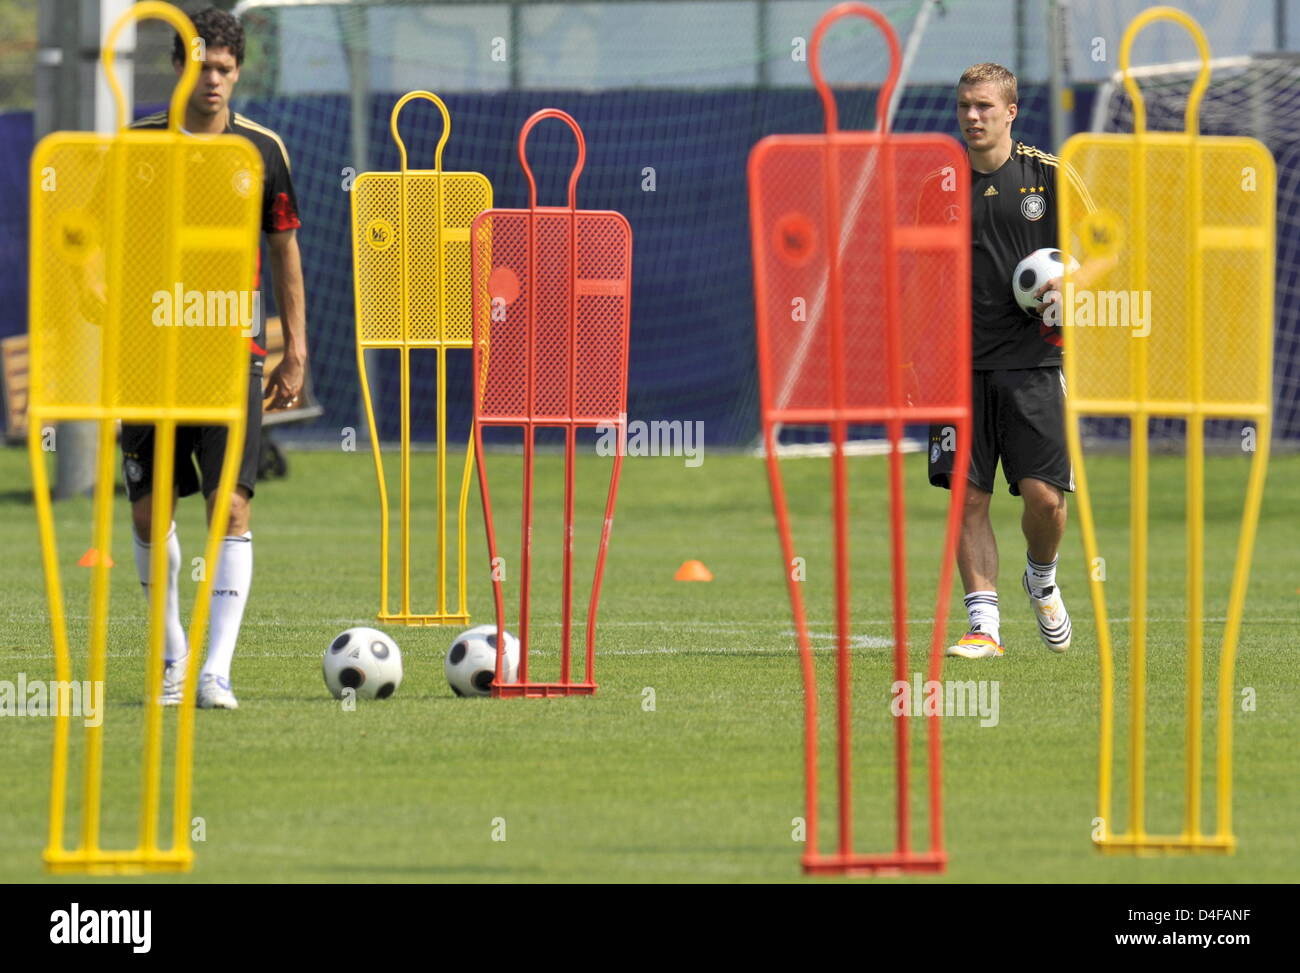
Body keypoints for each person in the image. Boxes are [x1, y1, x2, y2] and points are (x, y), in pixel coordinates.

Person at [120, 7, 307, 707]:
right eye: (202, 66)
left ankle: (215, 671)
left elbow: (284, 250)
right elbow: (96, 236)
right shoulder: (136, 146)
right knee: (149, 515)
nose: (214, 80)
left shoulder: (261, 151)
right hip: (150, 355)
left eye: (225, 69)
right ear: (178, 67)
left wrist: (295, 351)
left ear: (238, 72)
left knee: (229, 508)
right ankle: (173, 654)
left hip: (232, 355)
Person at [927, 63, 1091, 659]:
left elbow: (1108, 248)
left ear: (1011, 112)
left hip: (1035, 364)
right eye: (964, 105)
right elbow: (920, 274)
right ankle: (984, 626)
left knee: (1045, 499)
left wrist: (1075, 284)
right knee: (968, 498)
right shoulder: (938, 185)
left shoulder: (1048, 176)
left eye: (985, 107)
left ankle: (1041, 578)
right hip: (958, 369)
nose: (972, 116)